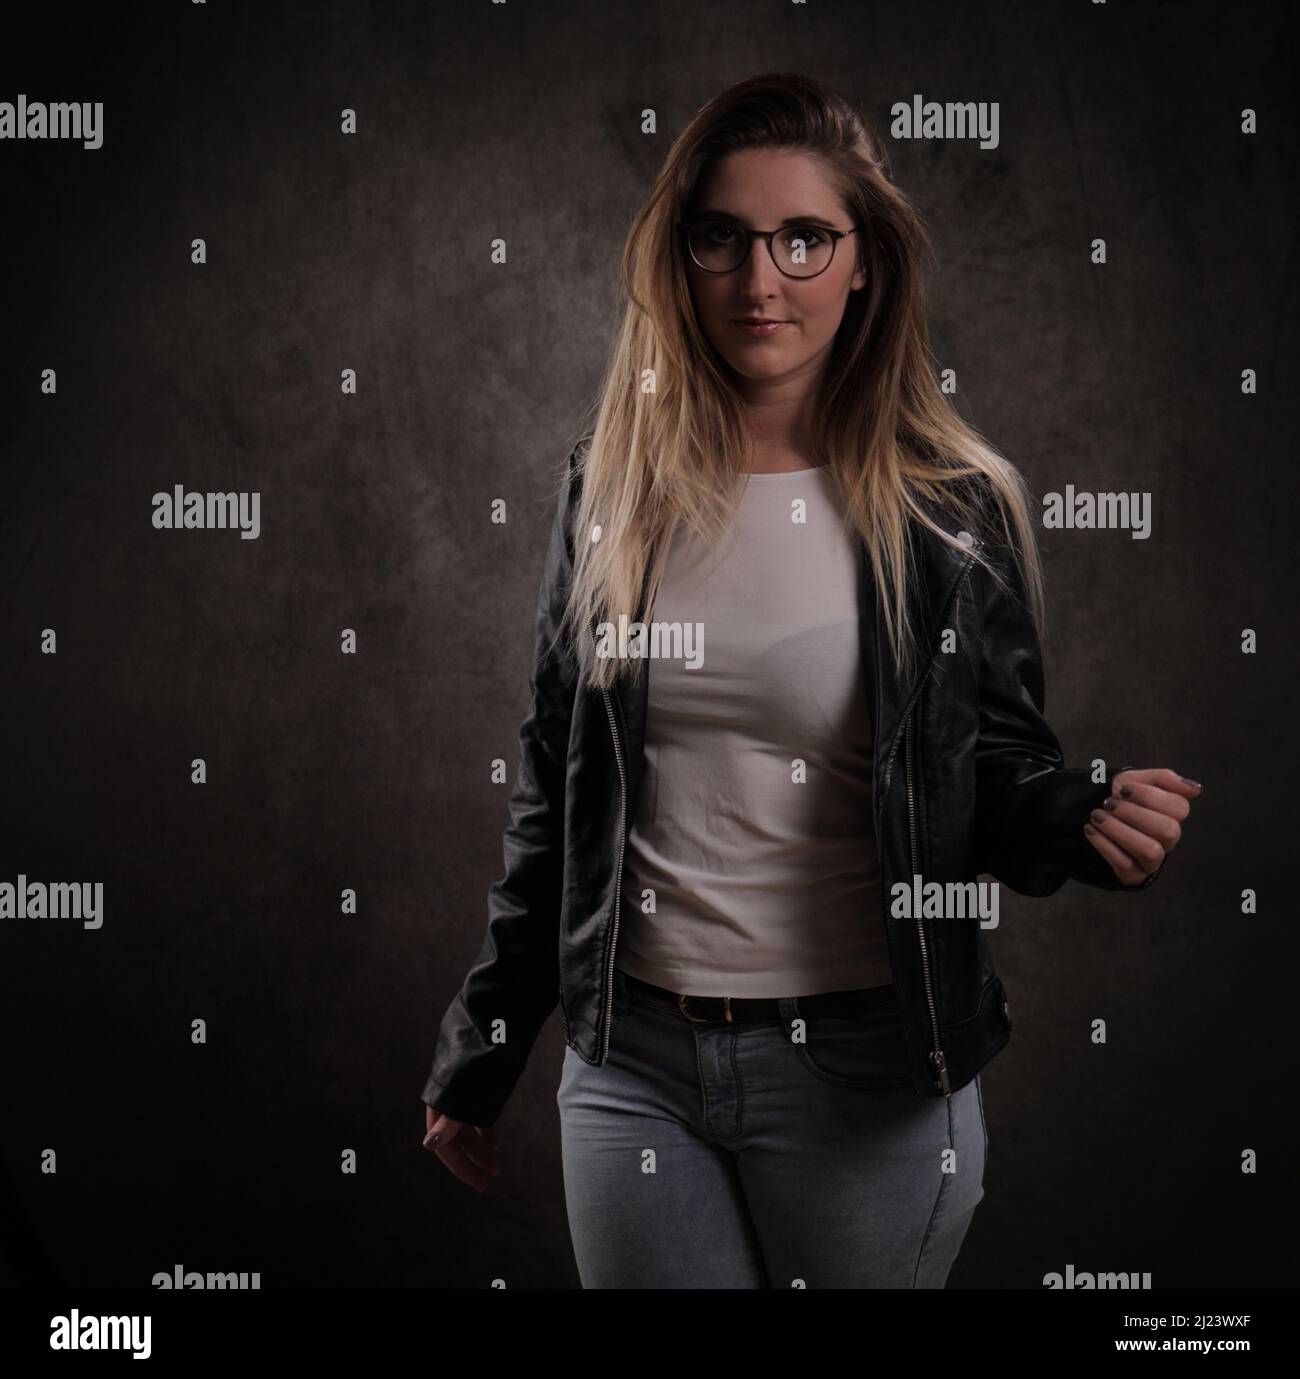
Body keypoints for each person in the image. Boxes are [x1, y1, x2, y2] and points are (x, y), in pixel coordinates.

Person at [418, 71, 1200, 1288]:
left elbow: (989, 765)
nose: (759, 277)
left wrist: (1076, 813)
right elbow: (557, 787)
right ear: (680, 258)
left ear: (863, 261)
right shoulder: (609, 486)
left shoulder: (952, 505)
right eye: (721, 237)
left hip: (865, 1074)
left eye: (802, 238)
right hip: (631, 1067)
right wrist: (487, 1044)